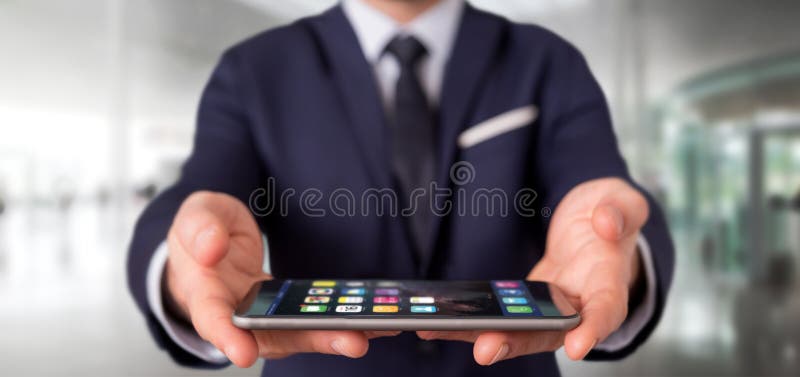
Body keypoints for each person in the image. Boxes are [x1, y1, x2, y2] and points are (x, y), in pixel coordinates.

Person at [126, 0, 674, 376]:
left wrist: (619, 252)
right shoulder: (254, 70)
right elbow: (199, 194)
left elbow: (603, 196)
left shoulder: (548, 62)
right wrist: (184, 267)